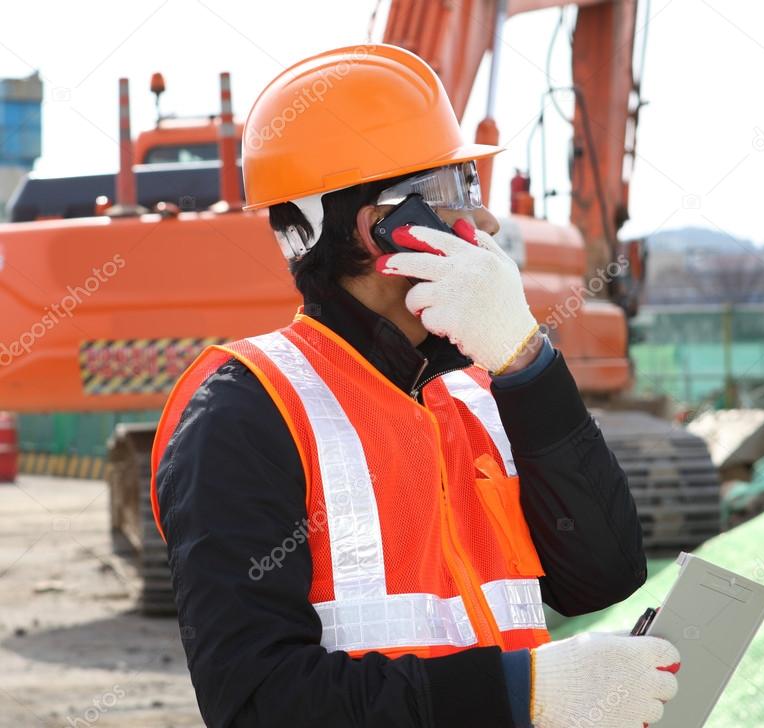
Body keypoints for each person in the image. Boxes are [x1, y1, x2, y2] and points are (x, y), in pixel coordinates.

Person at [151, 44, 680, 727]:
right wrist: (520, 693)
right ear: (386, 228)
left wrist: (526, 364)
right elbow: (259, 702)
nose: (484, 220)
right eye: (457, 189)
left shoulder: (473, 393)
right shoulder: (243, 412)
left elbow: (603, 576)